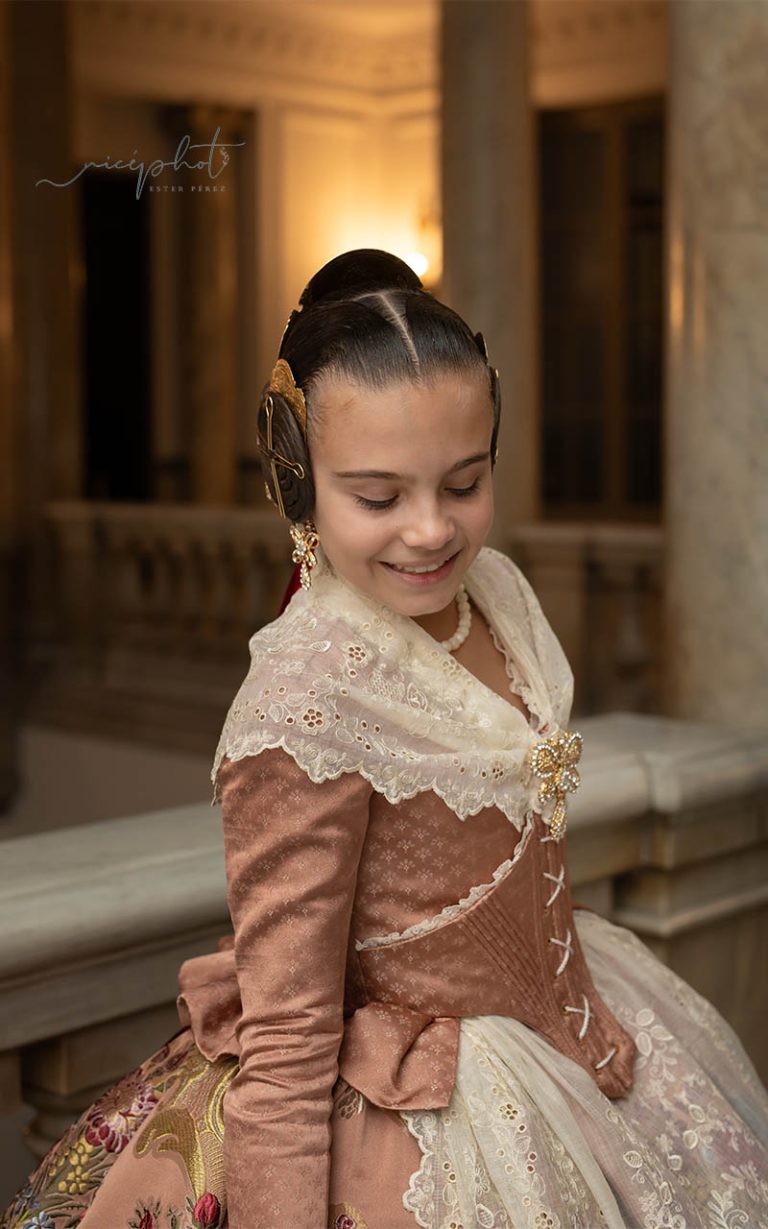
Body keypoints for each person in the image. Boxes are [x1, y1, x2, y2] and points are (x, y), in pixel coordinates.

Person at [3, 250, 767, 1229]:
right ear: (298, 478)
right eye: (377, 495)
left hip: (572, 1024)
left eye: (465, 481)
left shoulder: (498, 592)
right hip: (427, 1119)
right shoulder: (305, 698)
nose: (430, 530)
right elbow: (286, 1046)